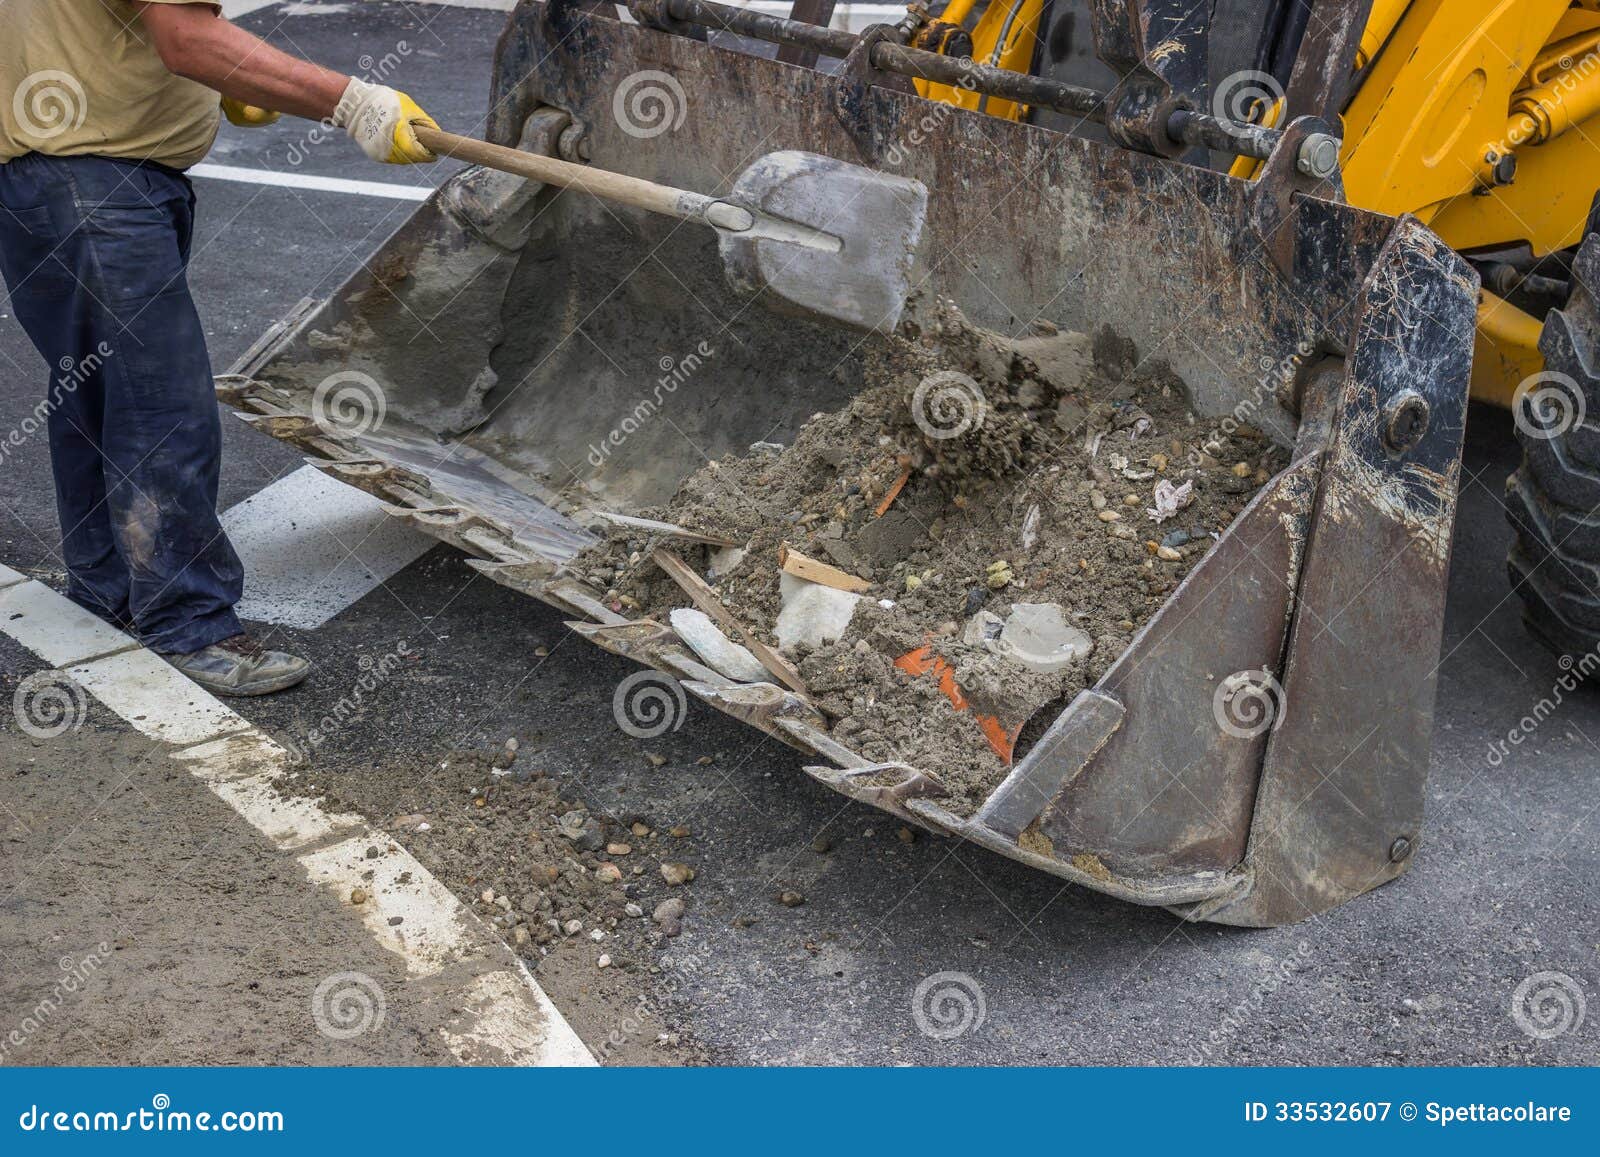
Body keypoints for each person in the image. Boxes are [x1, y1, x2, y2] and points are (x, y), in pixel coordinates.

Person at [0, 1, 438, 695]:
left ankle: (110, 590)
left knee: (95, 395)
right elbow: (185, 37)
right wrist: (355, 103)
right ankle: (190, 621)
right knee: (162, 407)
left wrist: (226, 80)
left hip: (44, 182)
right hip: (98, 187)